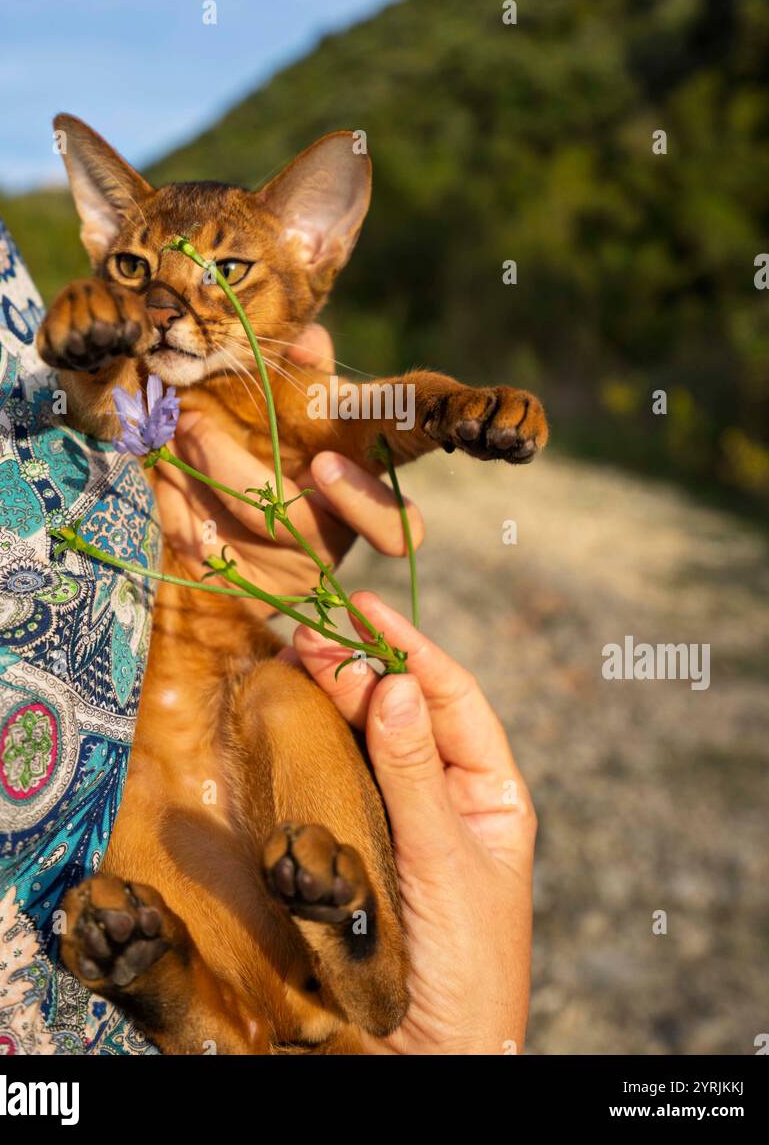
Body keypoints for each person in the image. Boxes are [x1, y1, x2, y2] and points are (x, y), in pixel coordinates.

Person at [154, 324, 537, 1055]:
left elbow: (357, 416)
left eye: (227, 272)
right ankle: (198, 1009)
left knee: (283, 696)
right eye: (146, 273)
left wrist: (443, 405)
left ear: (314, 253)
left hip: (214, 705)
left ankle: (361, 958)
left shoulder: (264, 381)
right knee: (143, 838)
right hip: (144, 772)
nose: (182, 307)